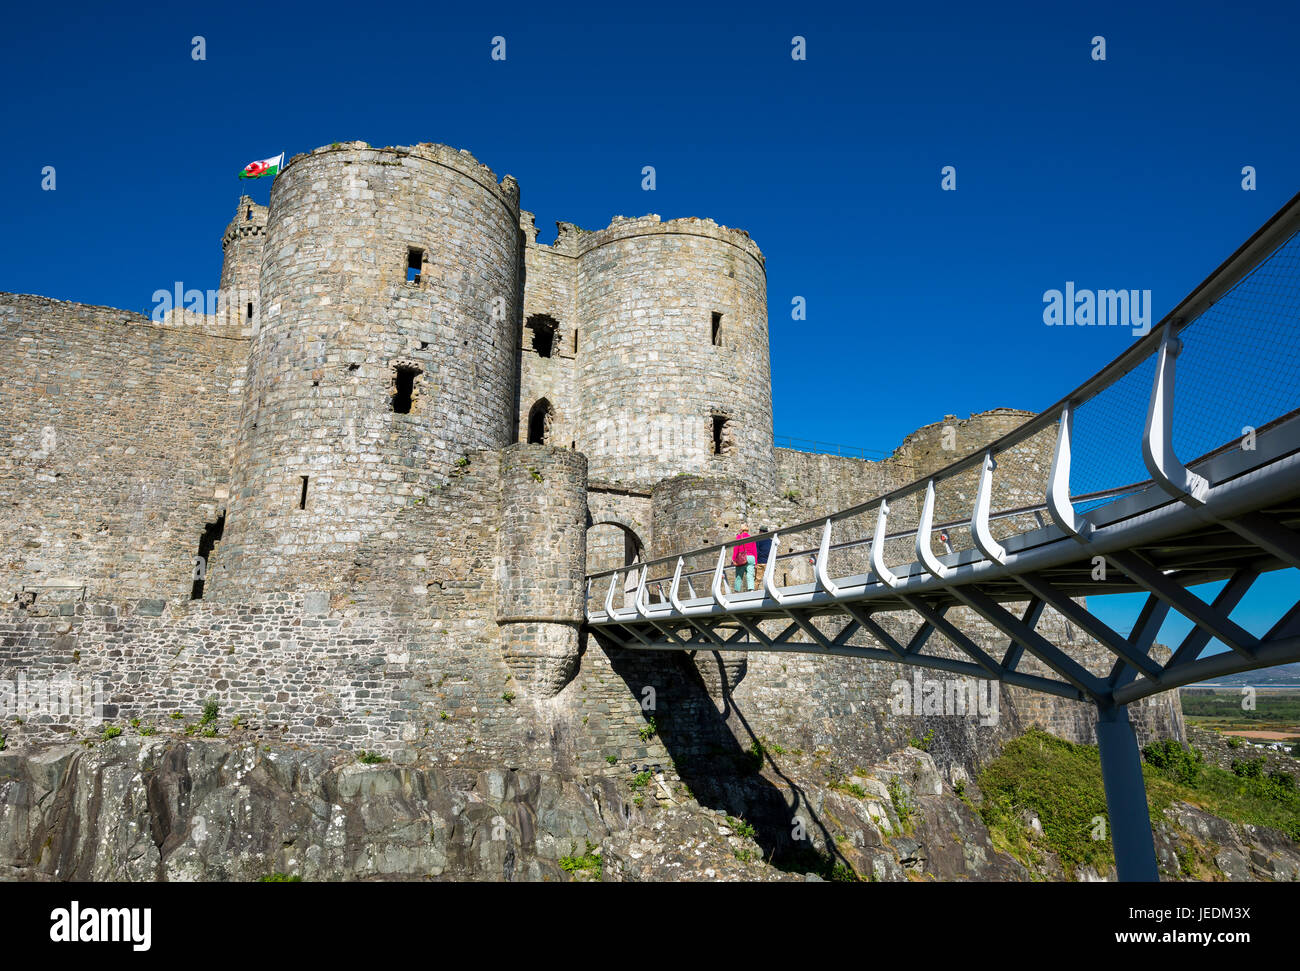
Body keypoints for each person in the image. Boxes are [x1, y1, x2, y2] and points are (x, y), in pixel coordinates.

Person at [731, 526, 757, 592]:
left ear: (741, 530)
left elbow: (736, 549)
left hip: (742, 557)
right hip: (751, 558)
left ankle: (737, 590)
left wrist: (733, 559)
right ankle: (751, 589)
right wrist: (756, 562)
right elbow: (755, 551)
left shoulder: (739, 537)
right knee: (750, 575)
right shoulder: (751, 538)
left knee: (739, 575)